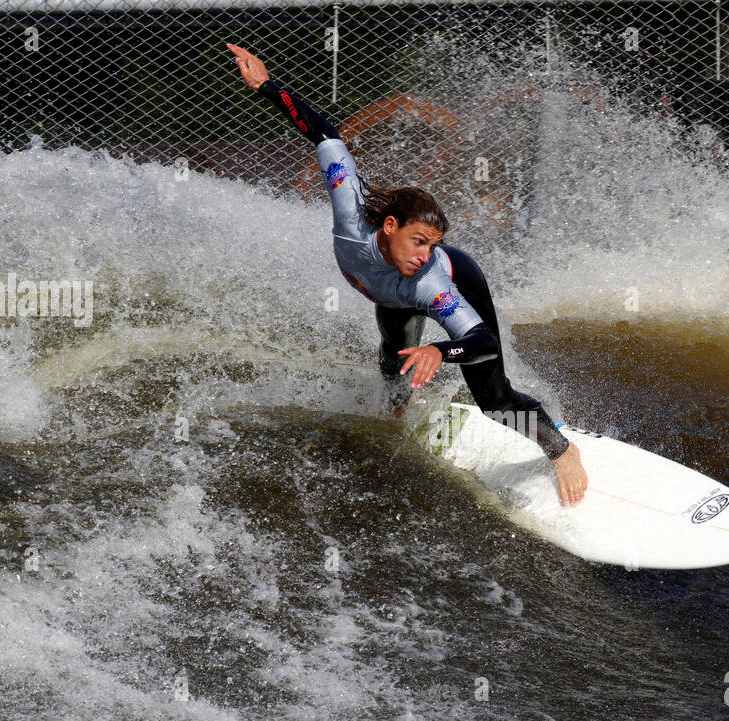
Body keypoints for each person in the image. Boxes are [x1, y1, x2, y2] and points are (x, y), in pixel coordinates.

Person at [228, 43, 588, 507]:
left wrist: (440, 349)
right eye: (420, 241)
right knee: (392, 363)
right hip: (389, 294)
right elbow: (324, 134)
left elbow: (483, 343)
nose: (425, 254)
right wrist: (265, 86)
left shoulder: (431, 280)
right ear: (390, 226)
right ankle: (399, 411)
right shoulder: (350, 209)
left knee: (495, 401)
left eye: (433, 246)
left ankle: (562, 450)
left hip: (460, 281)